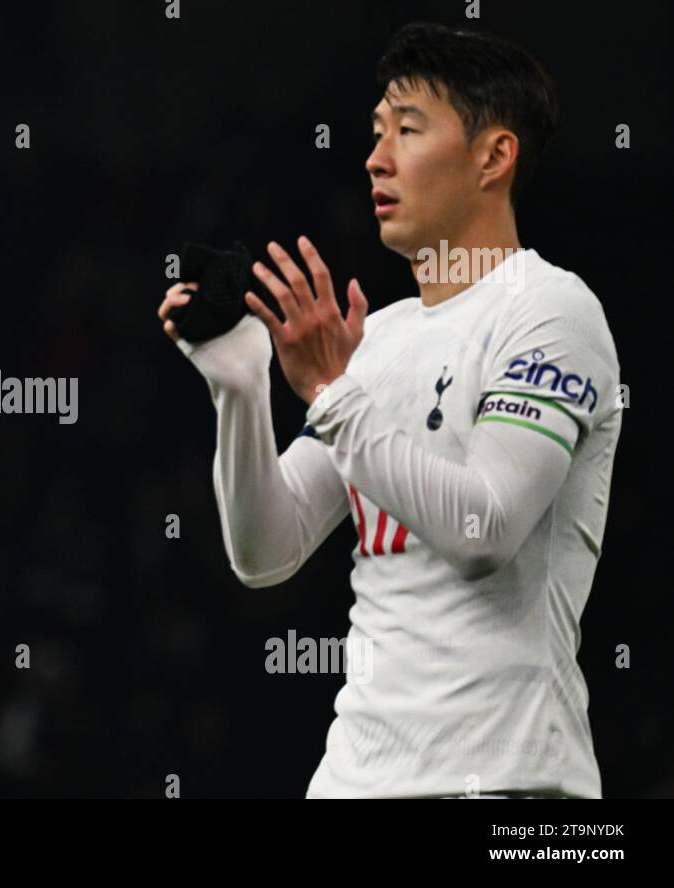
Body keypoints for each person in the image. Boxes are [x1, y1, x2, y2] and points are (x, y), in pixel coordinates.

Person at [158, 22, 620, 798]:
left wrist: (333, 394)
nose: (376, 158)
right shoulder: (379, 341)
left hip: (506, 784)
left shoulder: (550, 311)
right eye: (377, 133)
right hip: (352, 779)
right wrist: (239, 391)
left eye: (408, 129)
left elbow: (484, 531)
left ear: (493, 156)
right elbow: (266, 553)